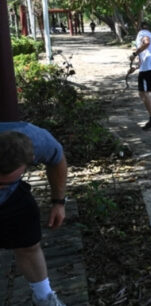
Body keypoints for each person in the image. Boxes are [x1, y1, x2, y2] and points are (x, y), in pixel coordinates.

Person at [0, 124, 68, 306]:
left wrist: (59, 202)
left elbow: (57, 159)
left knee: (28, 244)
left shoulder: (36, 140)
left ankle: (44, 297)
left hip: (12, 199)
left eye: (3, 183)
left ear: (31, 159)